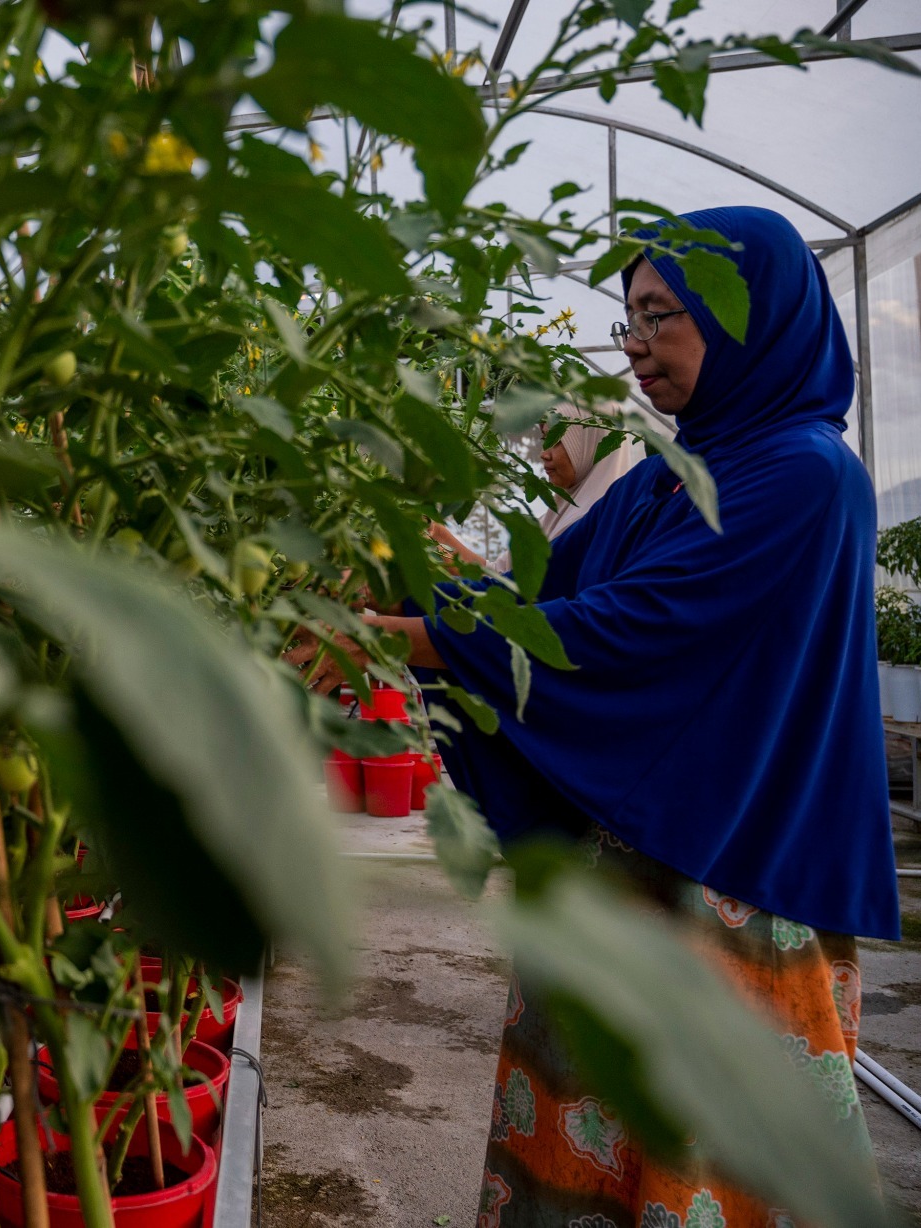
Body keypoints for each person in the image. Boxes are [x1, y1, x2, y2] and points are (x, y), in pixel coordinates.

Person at [293, 206, 898, 1226]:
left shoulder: (807, 474)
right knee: (582, 1154)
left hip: (726, 887)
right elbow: (535, 601)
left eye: (663, 317)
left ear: (748, 317)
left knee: (700, 1163)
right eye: (629, 322)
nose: (637, 348)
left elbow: (624, 633)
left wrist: (394, 638)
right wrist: (406, 543)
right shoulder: (672, 471)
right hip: (613, 873)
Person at [430, 403, 644, 571]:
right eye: (545, 439)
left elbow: (513, 592)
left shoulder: (601, 527)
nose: (544, 453)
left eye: (557, 440)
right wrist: (433, 532)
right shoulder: (561, 515)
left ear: (593, 443)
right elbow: (498, 575)